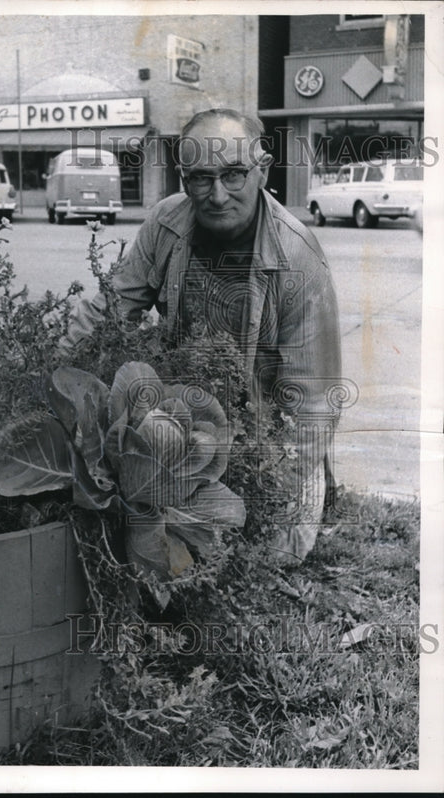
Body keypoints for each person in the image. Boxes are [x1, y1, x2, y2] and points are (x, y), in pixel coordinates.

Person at [65, 108, 342, 563]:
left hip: (265, 444)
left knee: (256, 558)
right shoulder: (166, 222)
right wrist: (52, 379)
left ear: (263, 170)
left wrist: (281, 514)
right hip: (182, 430)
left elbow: (314, 407)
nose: (217, 195)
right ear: (182, 178)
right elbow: (106, 315)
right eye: (200, 178)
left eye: (234, 175)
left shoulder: (300, 260)